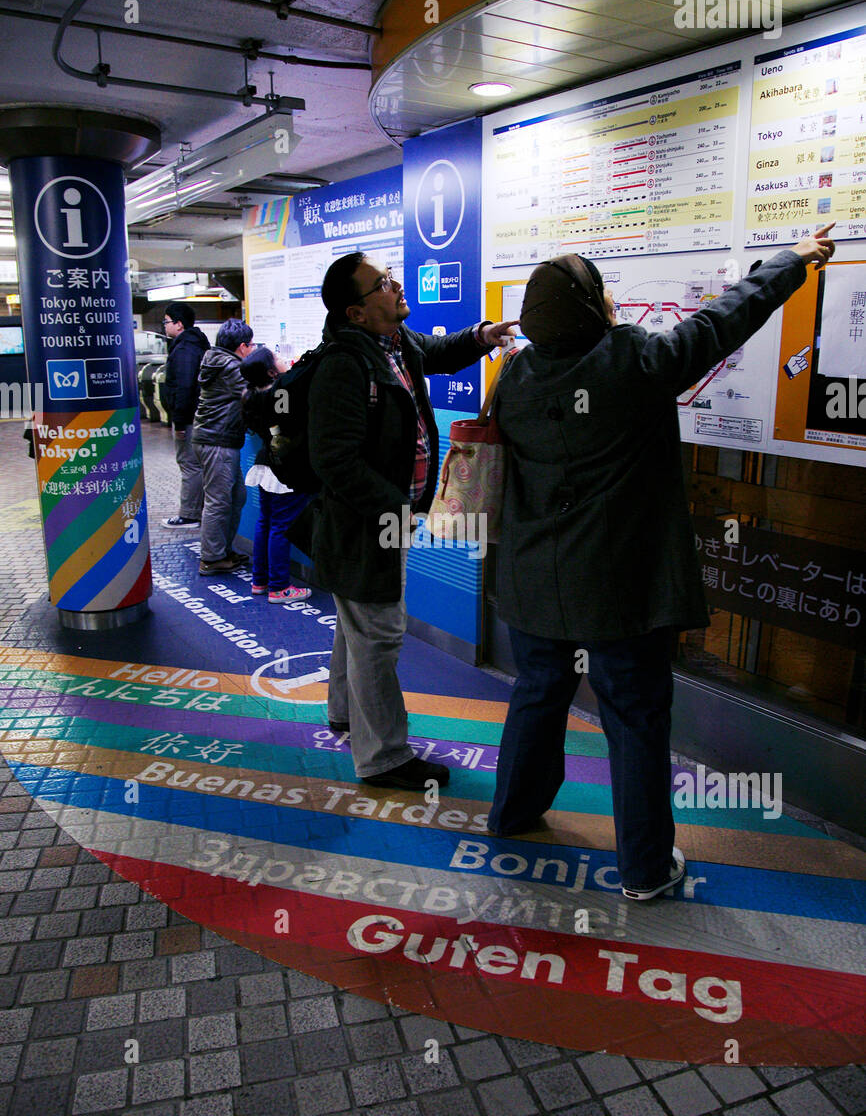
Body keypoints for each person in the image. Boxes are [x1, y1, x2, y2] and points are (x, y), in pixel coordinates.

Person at [488, 225, 836, 901]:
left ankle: (513, 814)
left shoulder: (517, 375)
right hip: (619, 587)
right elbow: (717, 323)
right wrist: (791, 262)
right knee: (636, 718)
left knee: (536, 695)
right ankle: (645, 869)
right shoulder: (632, 361)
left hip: (535, 580)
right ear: (594, 307)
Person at [308, 254, 518, 791]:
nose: (396, 285)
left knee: (355, 620)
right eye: (382, 283)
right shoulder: (345, 364)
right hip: (365, 525)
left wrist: (483, 335)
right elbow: (335, 460)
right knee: (378, 632)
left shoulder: (396, 344)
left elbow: (441, 352)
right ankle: (383, 756)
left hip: (388, 519)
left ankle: (344, 714)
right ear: (355, 312)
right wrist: (396, 509)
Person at [240, 346, 313, 604]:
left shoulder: (252, 395)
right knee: (281, 526)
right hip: (286, 470)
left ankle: (259, 581)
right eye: (280, 359)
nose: (285, 360)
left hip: (265, 467)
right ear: (271, 371)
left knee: (266, 522)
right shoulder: (280, 393)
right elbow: (287, 427)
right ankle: (279, 587)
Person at [192, 318, 255, 576]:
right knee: (219, 501)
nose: (252, 350)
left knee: (236, 496)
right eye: (251, 345)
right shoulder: (232, 366)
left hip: (214, 438)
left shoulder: (217, 359)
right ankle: (212, 558)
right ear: (242, 347)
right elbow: (255, 395)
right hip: (217, 440)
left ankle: (223, 550)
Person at [160, 302, 210, 529]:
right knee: (195, 464)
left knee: (189, 464)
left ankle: (190, 514)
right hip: (195, 415)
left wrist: (179, 421)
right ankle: (196, 510)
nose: (165, 326)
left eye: (167, 321)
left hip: (188, 418)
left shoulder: (184, 350)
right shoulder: (193, 344)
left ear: (179, 324)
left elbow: (184, 386)